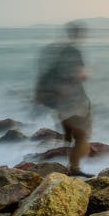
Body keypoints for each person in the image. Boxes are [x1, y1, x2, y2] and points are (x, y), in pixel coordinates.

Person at [35, 21, 93, 177]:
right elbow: (80, 75)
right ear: (78, 34)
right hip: (74, 102)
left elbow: (47, 74)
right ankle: (74, 169)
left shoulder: (56, 51)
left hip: (59, 104)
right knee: (82, 137)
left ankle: (59, 166)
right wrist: (87, 74)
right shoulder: (73, 52)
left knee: (68, 137)